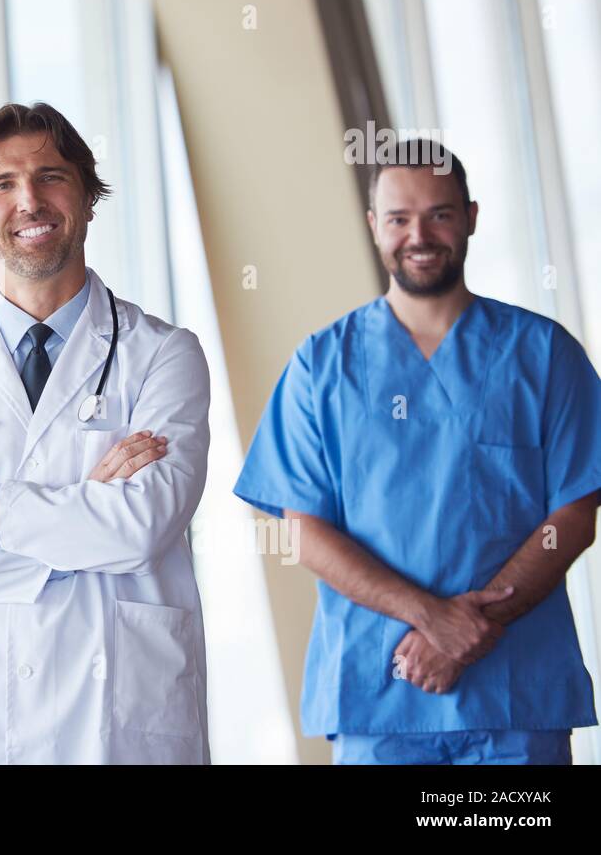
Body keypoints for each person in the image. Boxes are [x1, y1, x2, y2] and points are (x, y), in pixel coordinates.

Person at [0, 101, 211, 764]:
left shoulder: (165, 356)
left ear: (86, 199)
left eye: (51, 176)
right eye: (2, 185)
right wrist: (87, 514)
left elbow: (139, 529)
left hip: (117, 728)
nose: (30, 199)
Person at [234, 143, 600, 765]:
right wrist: (432, 618)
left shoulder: (543, 354)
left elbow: (572, 518)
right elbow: (303, 530)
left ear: (472, 217)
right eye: (399, 218)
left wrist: (467, 636)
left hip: (514, 697)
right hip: (380, 695)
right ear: (374, 224)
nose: (420, 235)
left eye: (440, 214)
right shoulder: (322, 366)